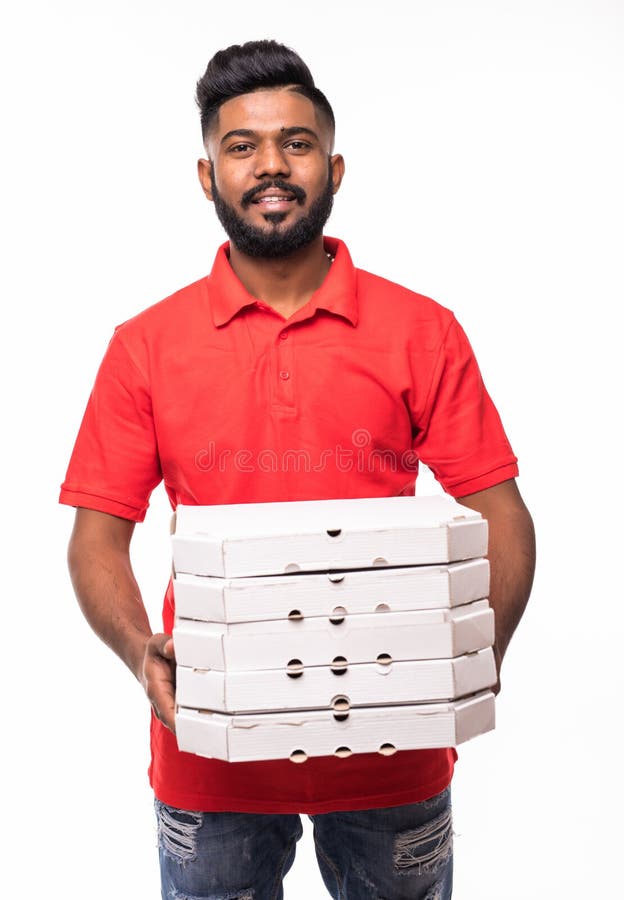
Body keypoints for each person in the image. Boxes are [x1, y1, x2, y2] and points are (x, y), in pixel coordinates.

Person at [60, 39, 535, 900]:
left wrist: (472, 657)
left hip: (396, 744)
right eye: (241, 146)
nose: (270, 166)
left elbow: (500, 508)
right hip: (211, 749)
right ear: (207, 176)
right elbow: (96, 537)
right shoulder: (145, 348)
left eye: (296, 142)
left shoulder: (420, 329)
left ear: (335, 167)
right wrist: (141, 655)